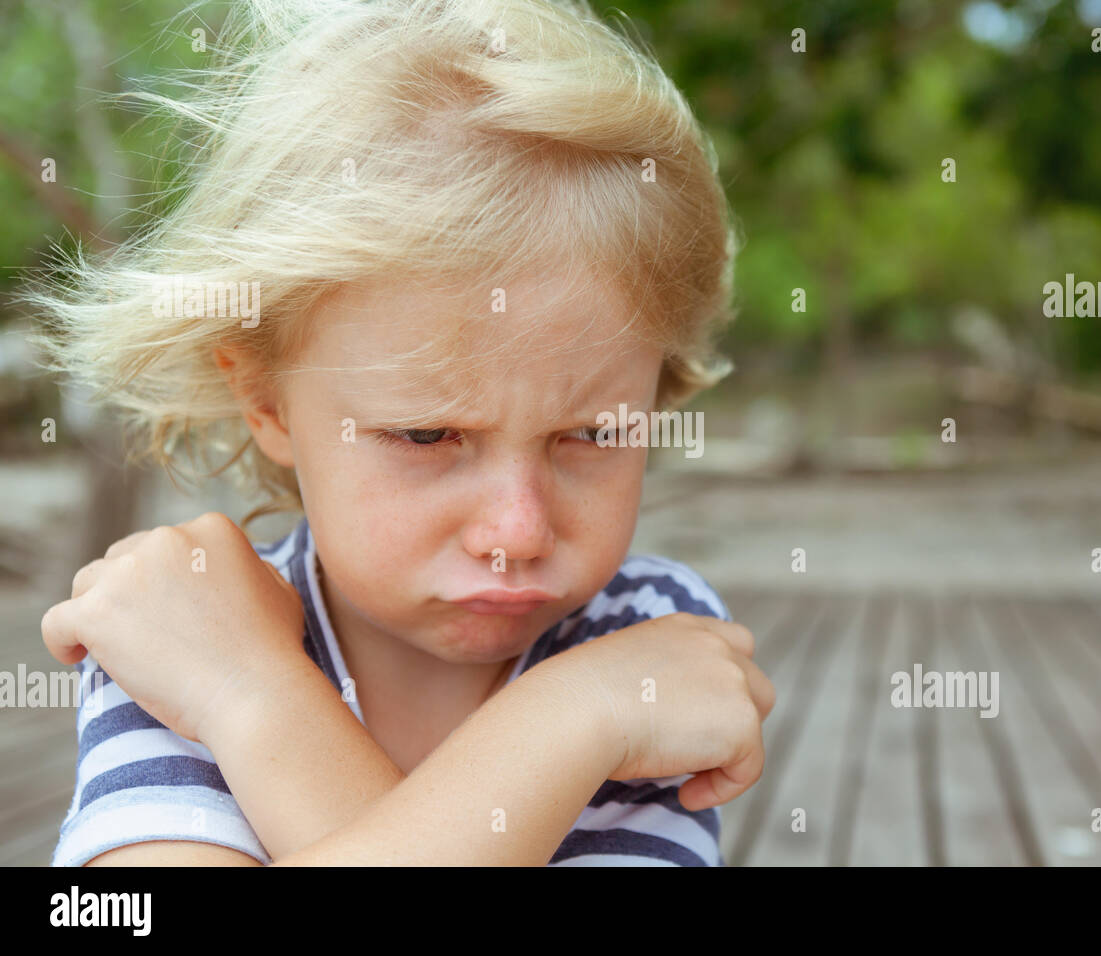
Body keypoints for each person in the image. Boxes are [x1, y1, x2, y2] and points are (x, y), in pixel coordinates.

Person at [28, 0, 774, 866]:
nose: (517, 531)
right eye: (426, 435)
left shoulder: (645, 642)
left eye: (592, 435)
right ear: (266, 400)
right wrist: (577, 723)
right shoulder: (182, 629)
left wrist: (244, 702)